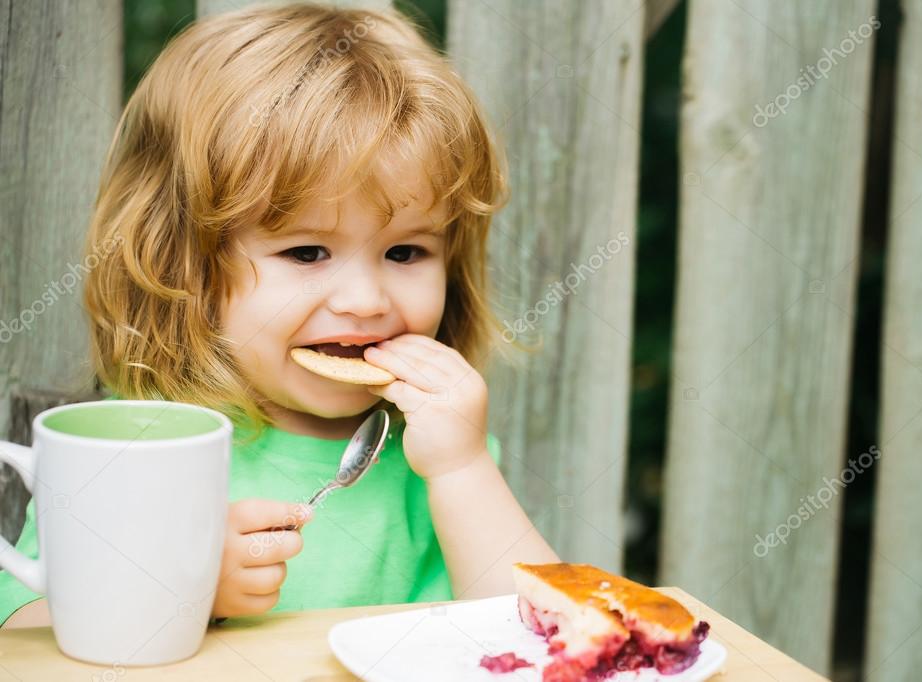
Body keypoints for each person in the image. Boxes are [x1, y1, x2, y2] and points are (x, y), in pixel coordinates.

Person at [1, 2, 558, 628]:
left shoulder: (437, 451)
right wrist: (182, 590)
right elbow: (22, 632)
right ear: (186, 265)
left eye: (405, 251)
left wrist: (463, 469)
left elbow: (546, 635)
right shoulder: (142, 447)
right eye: (306, 251)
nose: (366, 299)